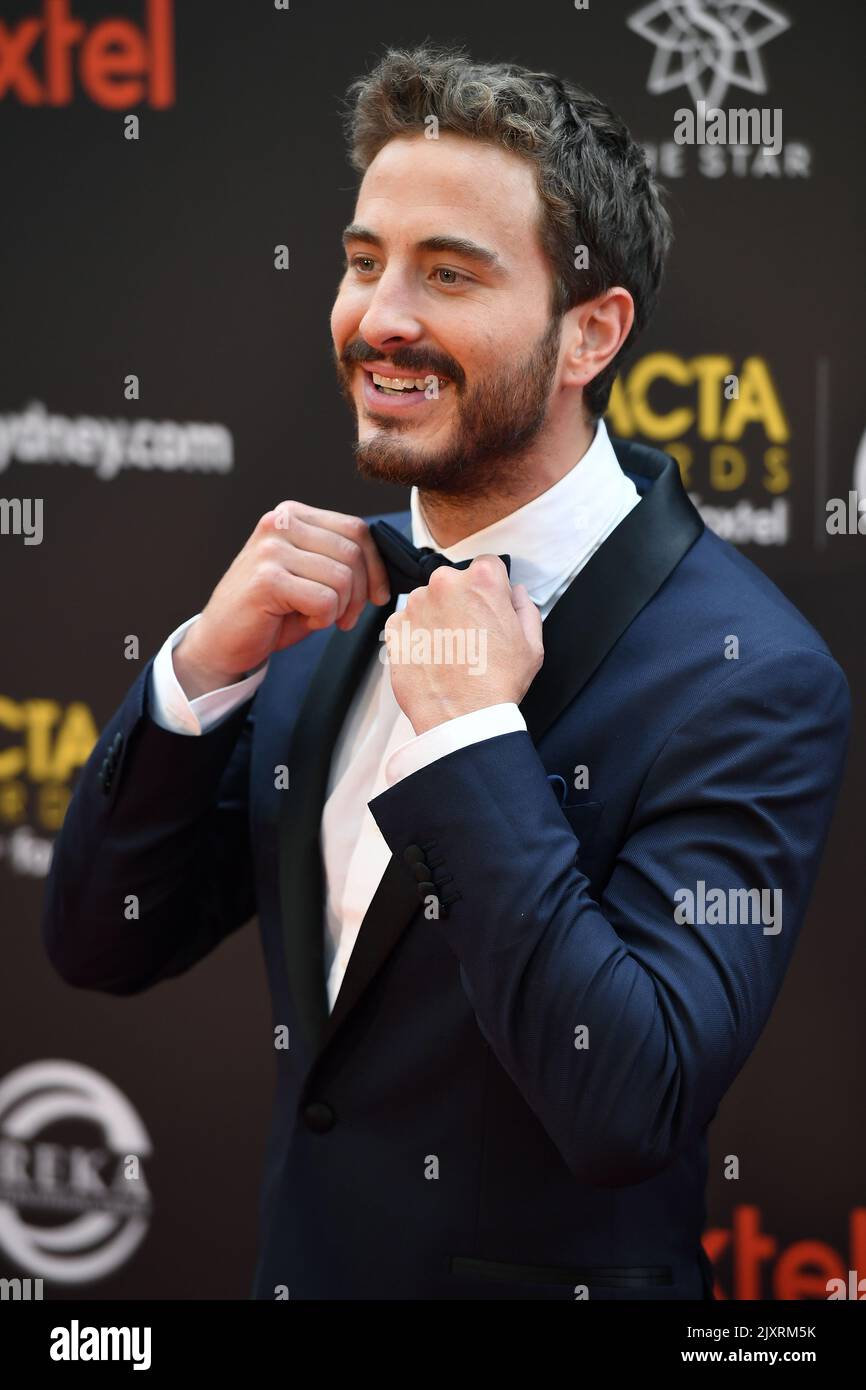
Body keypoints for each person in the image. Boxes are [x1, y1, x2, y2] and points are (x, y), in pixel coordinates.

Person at [42, 45, 850, 1301]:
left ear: (590, 331)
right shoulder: (319, 604)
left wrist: (473, 743)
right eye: (363, 262)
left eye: (448, 273)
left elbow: (626, 1102)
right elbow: (102, 942)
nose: (378, 318)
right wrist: (196, 673)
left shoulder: (746, 676)